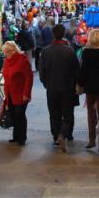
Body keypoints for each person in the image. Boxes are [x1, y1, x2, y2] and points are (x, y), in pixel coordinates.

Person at [38, 24, 80, 152]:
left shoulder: (46, 51)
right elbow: (76, 71)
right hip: (67, 88)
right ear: (64, 34)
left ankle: (56, 136)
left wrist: (46, 83)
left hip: (52, 88)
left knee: (54, 113)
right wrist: (77, 84)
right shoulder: (70, 51)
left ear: (52, 34)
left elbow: (41, 71)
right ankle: (64, 133)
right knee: (67, 114)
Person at [1, 41, 33, 145]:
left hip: (21, 94)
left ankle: (22, 138)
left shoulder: (22, 60)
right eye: (4, 52)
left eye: (7, 52)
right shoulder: (7, 60)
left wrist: (26, 94)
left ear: (13, 51)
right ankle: (16, 136)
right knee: (14, 115)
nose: (5, 54)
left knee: (20, 115)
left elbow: (29, 78)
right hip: (10, 93)